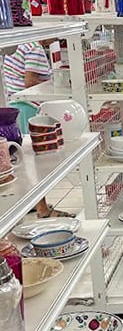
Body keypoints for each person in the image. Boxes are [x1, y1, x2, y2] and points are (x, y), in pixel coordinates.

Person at [2, 40, 75, 219]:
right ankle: (41, 208)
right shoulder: (34, 48)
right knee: (35, 161)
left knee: (19, 159)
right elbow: (30, 81)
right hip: (28, 105)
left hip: (14, 104)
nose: (58, 39)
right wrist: (56, 81)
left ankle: (30, 202)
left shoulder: (19, 45)